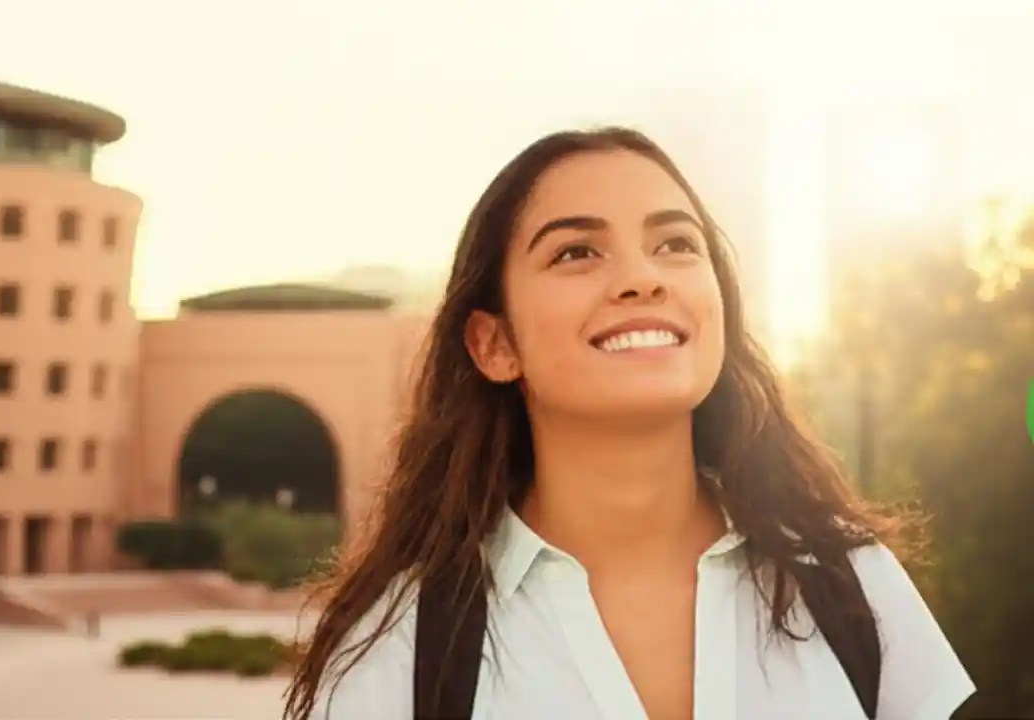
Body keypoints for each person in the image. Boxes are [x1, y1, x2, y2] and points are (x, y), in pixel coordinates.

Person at [282, 127, 975, 719]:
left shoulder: (848, 584)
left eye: (676, 244)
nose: (643, 277)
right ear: (495, 344)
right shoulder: (406, 644)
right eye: (576, 252)